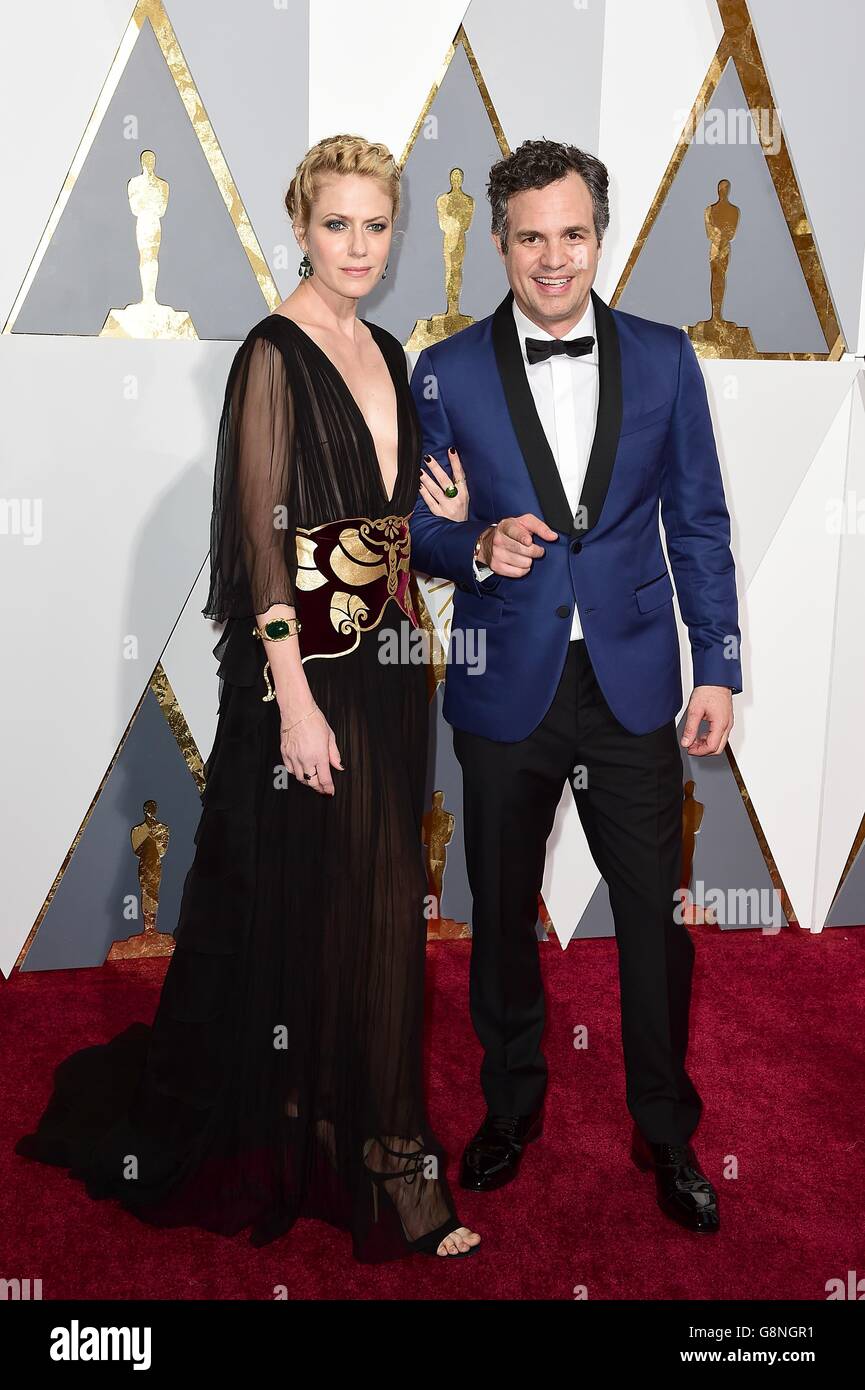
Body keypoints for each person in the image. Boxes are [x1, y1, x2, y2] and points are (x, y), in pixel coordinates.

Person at [15, 134, 480, 1262]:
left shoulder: (382, 346)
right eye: (338, 225)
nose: (359, 246)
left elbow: (383, 531)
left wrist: (441, 521)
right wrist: (293, 701)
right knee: (290, 897)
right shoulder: (272, 354)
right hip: (304, 680)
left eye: (377, 225)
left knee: (373, 904)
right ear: (300, 226)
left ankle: (360, 1130)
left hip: (388, 668)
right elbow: (264, 548)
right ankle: (348, 1147)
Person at [409, 139, 743, 1234]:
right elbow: (414, 527)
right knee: (499, 914)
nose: (553, 259)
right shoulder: (446, 371)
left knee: (653, 917)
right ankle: (510, 1107)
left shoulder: (663, 357)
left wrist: (720, 664)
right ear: (498, 241)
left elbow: (696, 519)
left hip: (637, 680)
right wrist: (473, 549)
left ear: (601, 236)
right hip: (508, 680)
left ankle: (666, 1127)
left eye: (573, 234)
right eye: (530, 237)